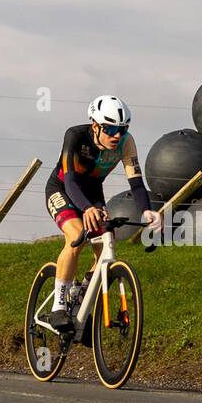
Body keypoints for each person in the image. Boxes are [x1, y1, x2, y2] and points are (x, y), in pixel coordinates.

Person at [44, 95, 160, 331]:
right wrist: (86, 208)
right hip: (64, 189)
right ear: (95, 125)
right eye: (110, 129)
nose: (117, 135)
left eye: (122, 129)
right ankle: (58, 306)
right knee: (76, 238)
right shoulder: (75, 136)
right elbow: (70, 179)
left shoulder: (126, 143)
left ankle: (81, 298)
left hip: (93, 193)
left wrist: (148, 211)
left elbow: (136, 183)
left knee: (106, 244)